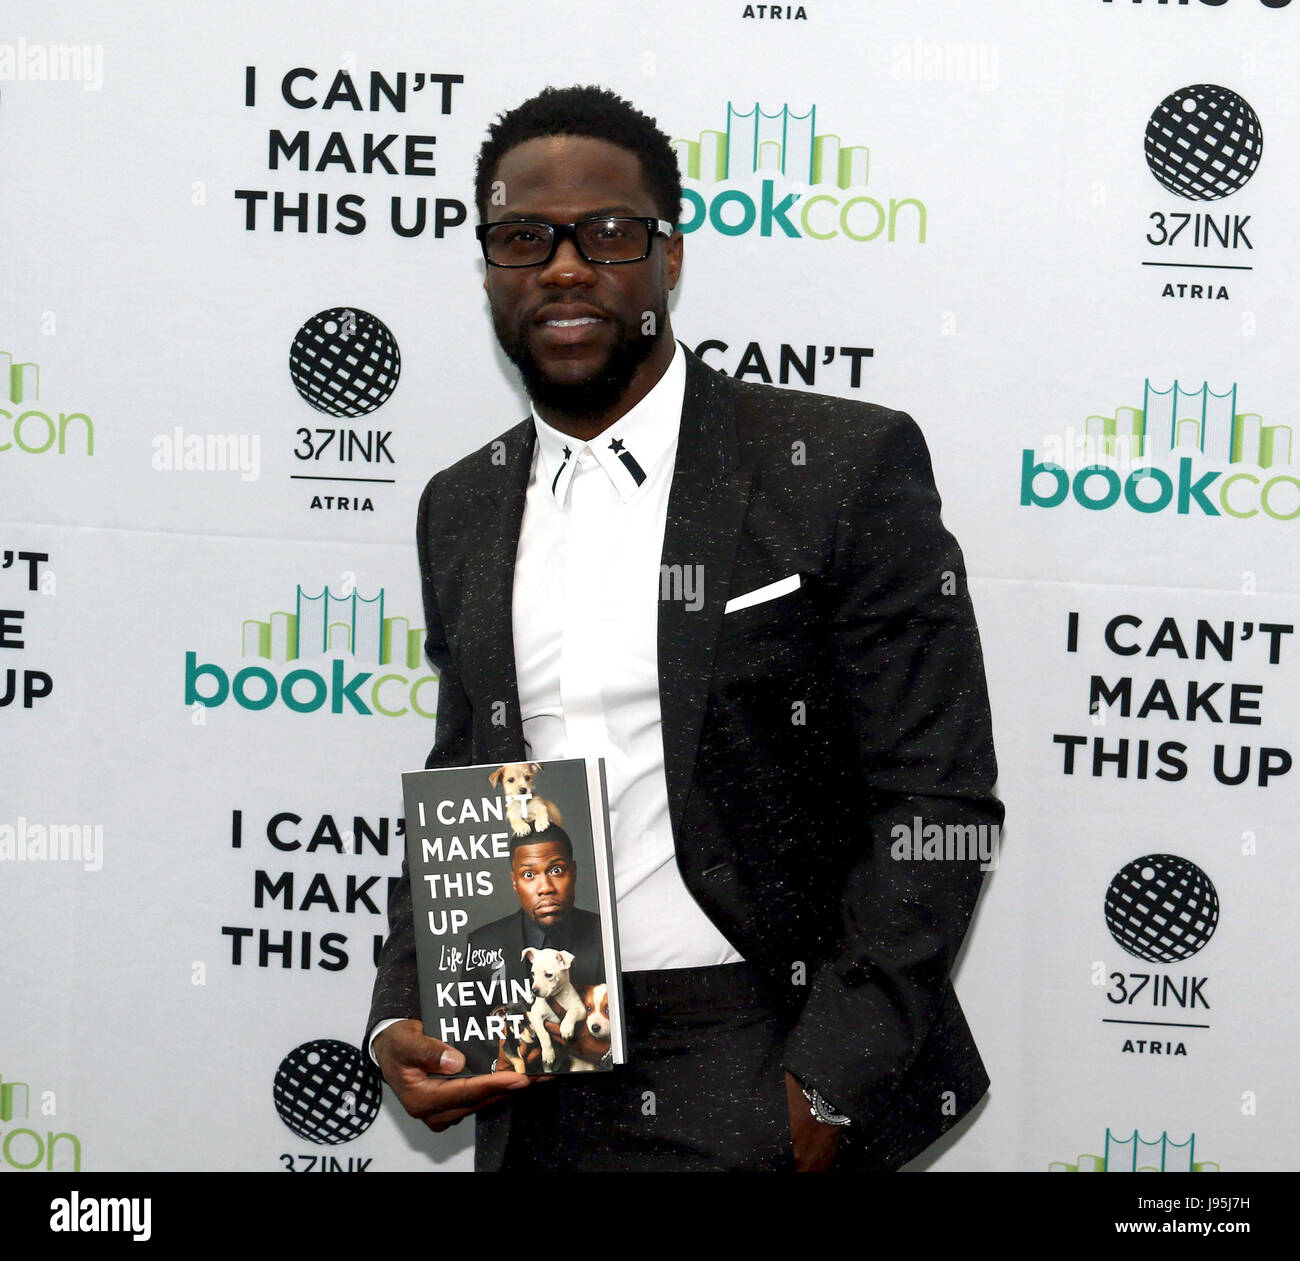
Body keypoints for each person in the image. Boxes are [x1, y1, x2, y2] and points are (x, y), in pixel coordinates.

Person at [367, 84, 1004, 1172]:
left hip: (754, 1040)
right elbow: (473, 770)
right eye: (524, 238)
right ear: (487, 274)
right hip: (533, 1042)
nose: (565, 267)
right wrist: (404, 1012)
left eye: (608, 233)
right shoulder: (460, 505)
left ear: (670, 258)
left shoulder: (835, 467)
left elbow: (937, 802)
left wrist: (827, 1085)